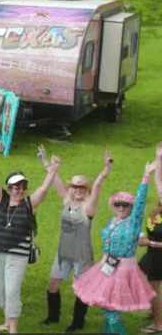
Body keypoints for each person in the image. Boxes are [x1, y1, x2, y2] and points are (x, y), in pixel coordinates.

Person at [73, 158, 161, 335]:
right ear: (113, 206)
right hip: (107, 264)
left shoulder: (133, 222)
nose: (122, 207)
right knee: (104, 300)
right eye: (118, 204)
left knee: (111, 304)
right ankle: (110, 330)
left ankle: (117, 331)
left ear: (131, 208)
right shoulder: (113, 221)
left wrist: (146, 176)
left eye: (126, 205)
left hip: (123, 268)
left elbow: (141, 201)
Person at [38, 145, 111, 332]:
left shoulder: (89, 207)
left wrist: (105, 171)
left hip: (82, 255)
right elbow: (55, 181)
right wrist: (48, 162)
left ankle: (78, 323)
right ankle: (52, 317)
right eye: (75, 187)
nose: (77, 190)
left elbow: (97, 187)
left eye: (81, 187)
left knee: (80, 289)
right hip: (63, 253)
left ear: (85, 190)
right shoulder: (66, 201)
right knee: (53, 284)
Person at [0, 145, 57, 334]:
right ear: (9, 188)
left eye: (23, 187)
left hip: (18, 254)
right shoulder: (1, 199)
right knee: (2, 292)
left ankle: (14, 329)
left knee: (12, 291)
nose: (20, 190)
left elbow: (43, 190)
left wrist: (53, 171)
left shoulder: (29, 204)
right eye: (16, 187)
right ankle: (6, 321)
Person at [138, 142, 162, 334]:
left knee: (153, 290)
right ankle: (154, 311)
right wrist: (158, 159)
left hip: (158, 255)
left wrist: (150, 242)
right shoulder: (158, 210)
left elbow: (159, 185)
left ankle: (158, 324)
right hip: (151, 254)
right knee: (140, 278)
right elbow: (158, 185)